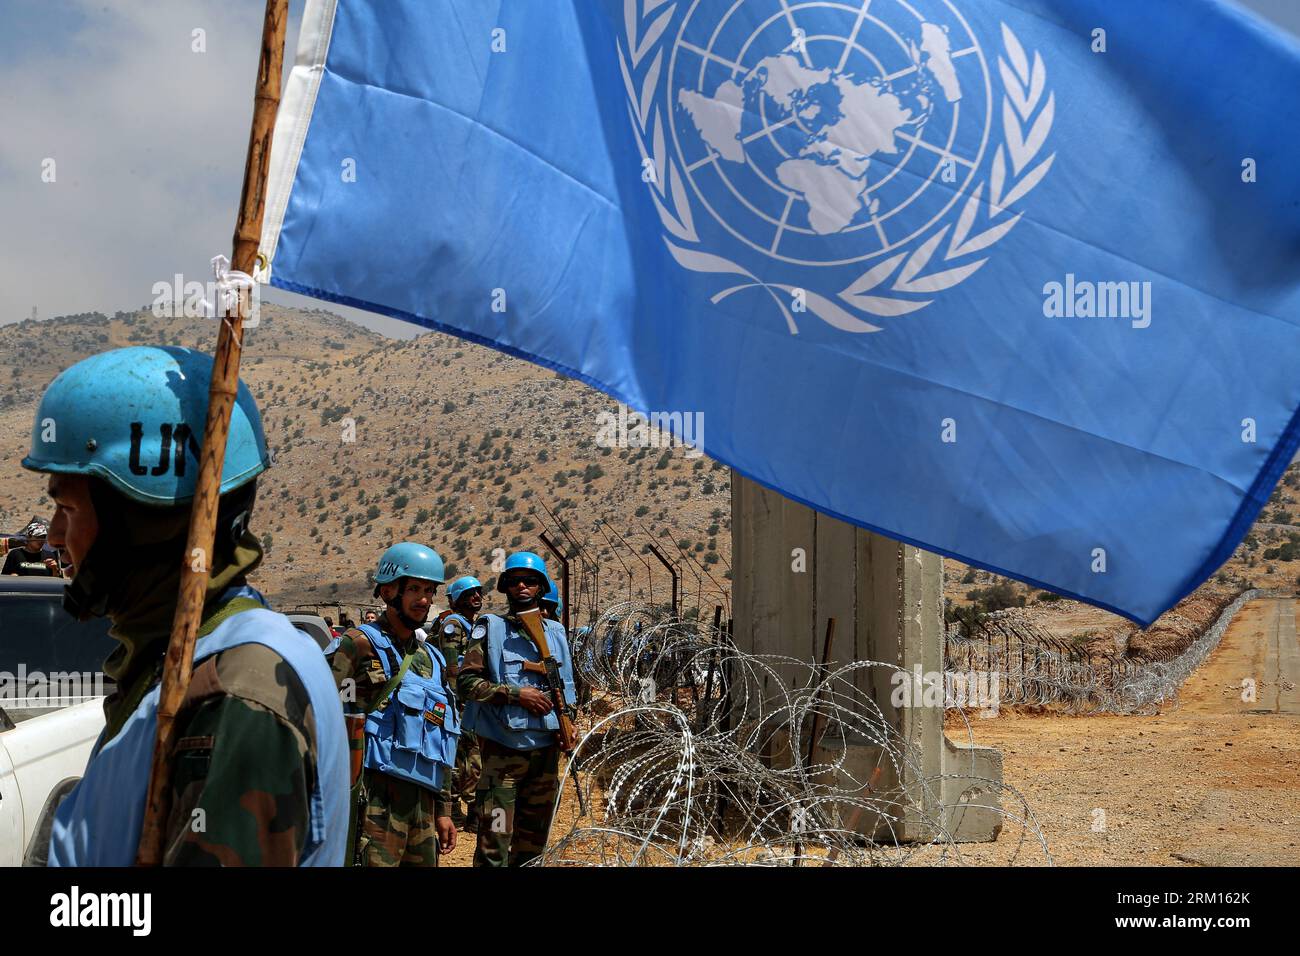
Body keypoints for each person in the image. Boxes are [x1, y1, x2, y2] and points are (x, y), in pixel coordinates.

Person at [20, 345, 349, 866]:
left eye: (67, 508)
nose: (56, 535)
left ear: (144, 523)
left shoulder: (237, 692)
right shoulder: (186, 658)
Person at [328, 543, 458, 866]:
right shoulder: (358, 645)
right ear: (388, 591)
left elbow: (441, 741)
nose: (424, 599)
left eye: (429, 590)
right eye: (414, 588)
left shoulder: (433, 660)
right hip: (374, 801)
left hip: (422, 806)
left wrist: (443, 810)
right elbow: (325, 717)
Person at [459, 551, 576, 867]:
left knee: (533, 845)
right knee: (495, 841)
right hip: (503, 759)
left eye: (530, 581)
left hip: (544, 759)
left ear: (541, 586)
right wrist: (515, 694)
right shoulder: (490, 628)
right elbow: (466, 683)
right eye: (514, 581)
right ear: (506, 587)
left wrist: (569, 725)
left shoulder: (556, 633)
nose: (522, 586)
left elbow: (567, 690)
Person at [437, 574, 484, 830]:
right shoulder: (454, 625)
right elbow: (453, 668)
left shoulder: (469, 625)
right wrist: (460, 701)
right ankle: (456, 809)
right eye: (469, 594)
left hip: (467, 700)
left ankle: (467, 809)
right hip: (459, 701)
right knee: (462, 756)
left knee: (467, 756)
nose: (476, 597)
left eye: (478, 592)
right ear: (457, 599)